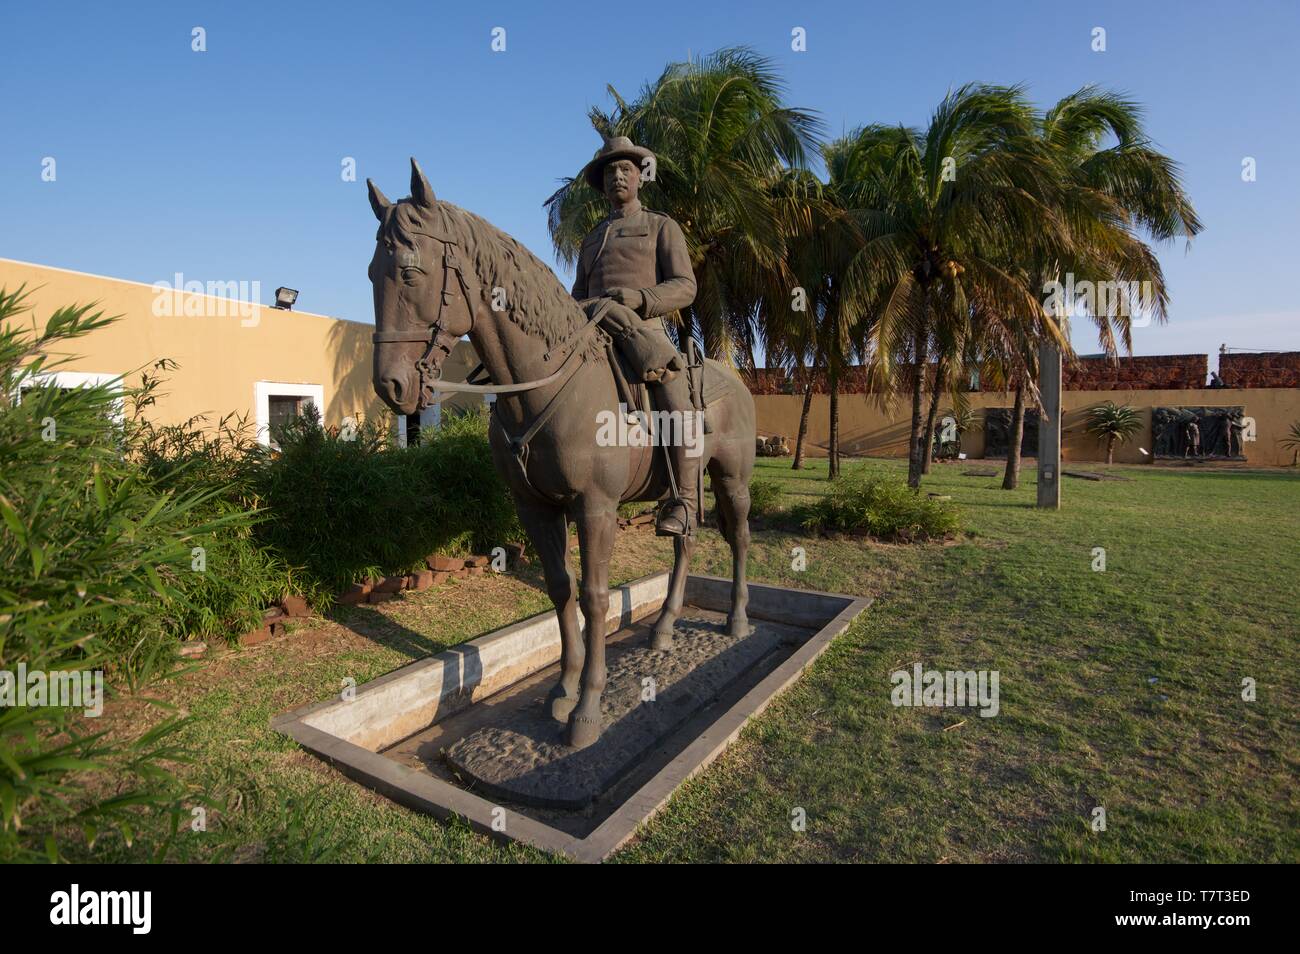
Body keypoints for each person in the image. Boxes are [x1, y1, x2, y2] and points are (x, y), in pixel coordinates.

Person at [571, 136, 700, 536]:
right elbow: (578, 293)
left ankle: (685, 502)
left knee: (673, 396)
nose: (617, 176)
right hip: (594, 331)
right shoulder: (591, 239)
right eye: (609, 171)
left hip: (644, 330)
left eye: (625, 169)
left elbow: (685, 285)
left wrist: (641, 298)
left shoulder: (661, 226)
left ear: (640, 177)